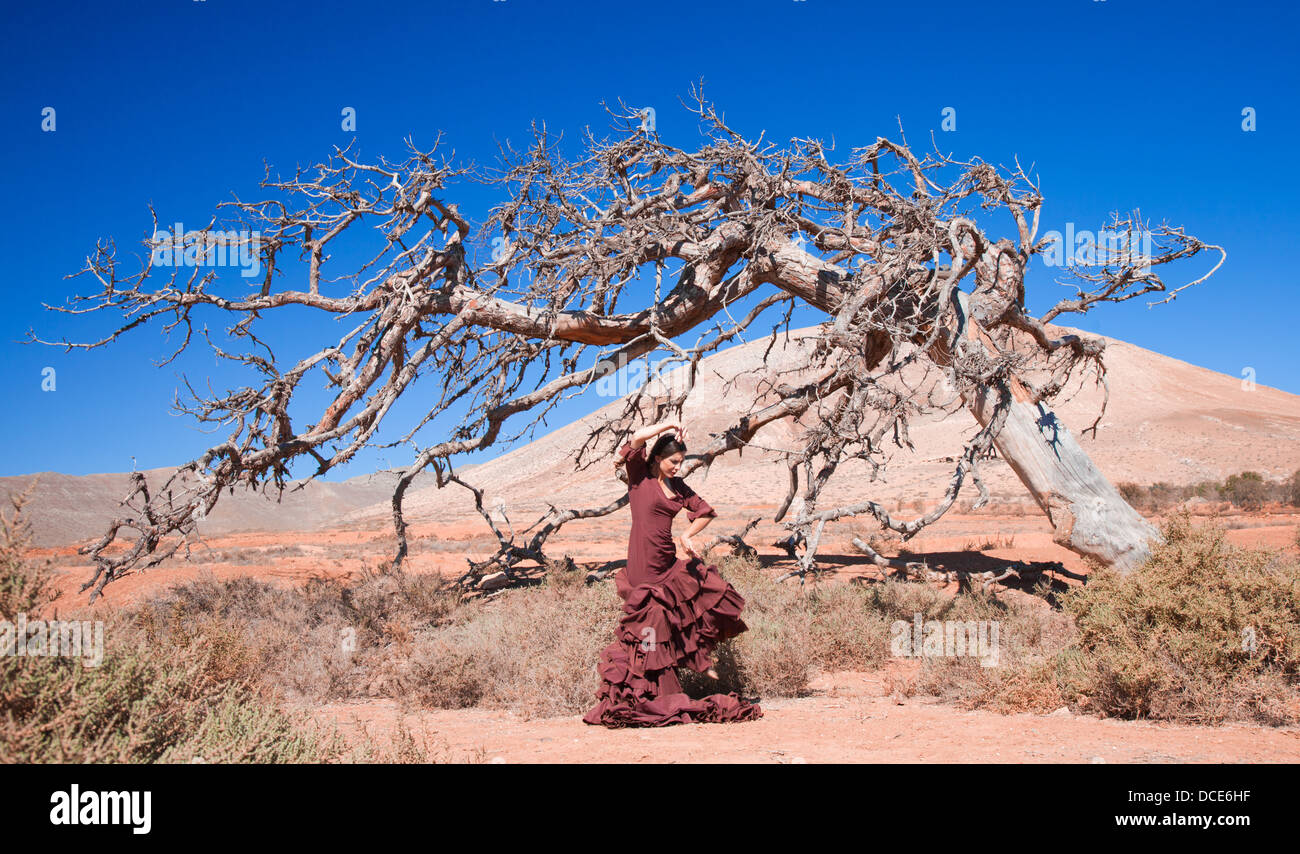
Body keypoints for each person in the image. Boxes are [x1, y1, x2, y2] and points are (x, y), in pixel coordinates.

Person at [582, 419, 763, 727]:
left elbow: (705, 511)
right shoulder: (639, 477)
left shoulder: (678, 487)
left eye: (680, 462)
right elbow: (637, 437)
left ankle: (652, 693)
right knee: (646, 623)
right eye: (672, 462)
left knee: (691, 602)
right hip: (642, 567)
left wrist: (686, 537)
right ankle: (644, 692)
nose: (677, 467)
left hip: (666, 563)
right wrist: (668, 423)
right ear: (657, 459)